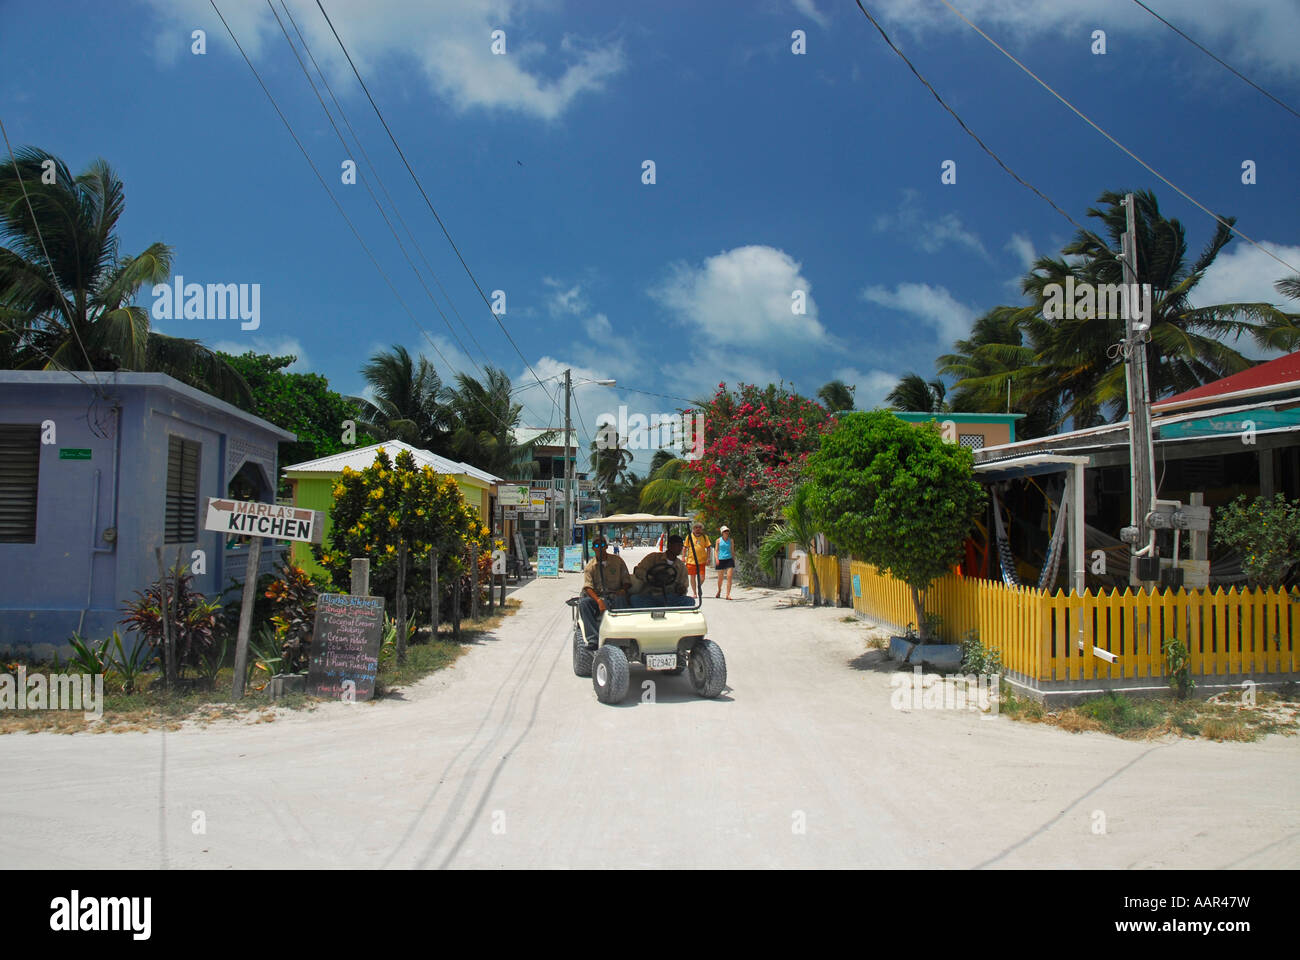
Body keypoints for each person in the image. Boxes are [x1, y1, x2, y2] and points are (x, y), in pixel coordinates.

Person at [578, 535, 631, 648]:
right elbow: (588, 587)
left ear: (606, 546)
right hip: (599, 596)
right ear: (593, 548)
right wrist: (598, 601)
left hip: (616, 594)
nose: (600, 548)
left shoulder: (617, 561)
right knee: (584, 604)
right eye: (596, 545)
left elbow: (626, 580)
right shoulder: (590, 567)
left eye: (602, 545)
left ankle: (622, 636)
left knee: (622, 599)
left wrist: (623, 590)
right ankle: (593, 638)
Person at [630, 534, 691, 607]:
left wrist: (681, 589)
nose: (680, 548)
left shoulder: (681, 566)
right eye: (677, 545)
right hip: (651, 595)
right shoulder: (653, 558)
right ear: (669, 545)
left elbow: (684, 585)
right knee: (634, 599)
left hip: (669, 597)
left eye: (681, 546)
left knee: (690, 601)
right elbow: (638, 570)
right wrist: (652, 578)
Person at [683, 522, 712, 599]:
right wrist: (683, 557)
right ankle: (695, 593)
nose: (698, 529)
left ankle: (698, 586)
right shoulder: (689, 536)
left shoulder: (705, 537)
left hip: (702, 561)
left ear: (701, 529)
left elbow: (708, 547)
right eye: (696, 527)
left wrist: (708, 558)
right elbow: (685, 547)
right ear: (693, 528)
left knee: (702, 578)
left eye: (699, 527)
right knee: (692, 577)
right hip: (691, 560)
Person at [714, 525, 736, 599]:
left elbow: (732, 551)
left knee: (729, 577)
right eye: (724, 531)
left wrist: (733, 559)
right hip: (721, 559)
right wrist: (716, 559)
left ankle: (728, 594)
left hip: (729, 559)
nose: (726, 532)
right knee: (720, 578)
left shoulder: (731, 540)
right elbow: (716, 550)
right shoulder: (718, 540)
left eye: (727, 531)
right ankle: (719, 590)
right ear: (722, 533)